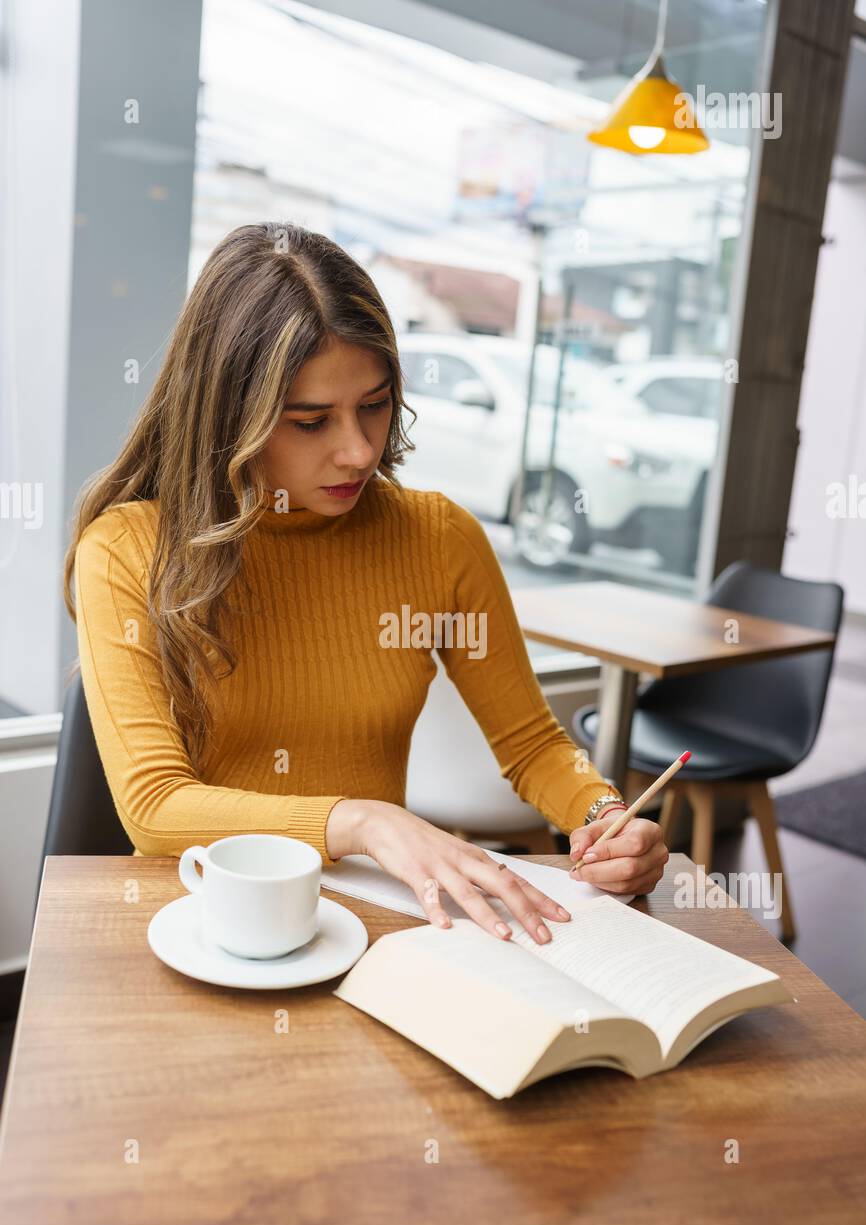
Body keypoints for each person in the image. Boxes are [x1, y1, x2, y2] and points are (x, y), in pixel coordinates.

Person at [65, 222, 668, 945]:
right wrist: (359, 819)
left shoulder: (439, 538)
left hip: (376, 923)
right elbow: (156, 806)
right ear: (229, 417)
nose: (357, 450)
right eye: (311, 421)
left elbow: (532, 743)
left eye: (375, 405)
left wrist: (602, 816)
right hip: (199, 927)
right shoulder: (128, 551)